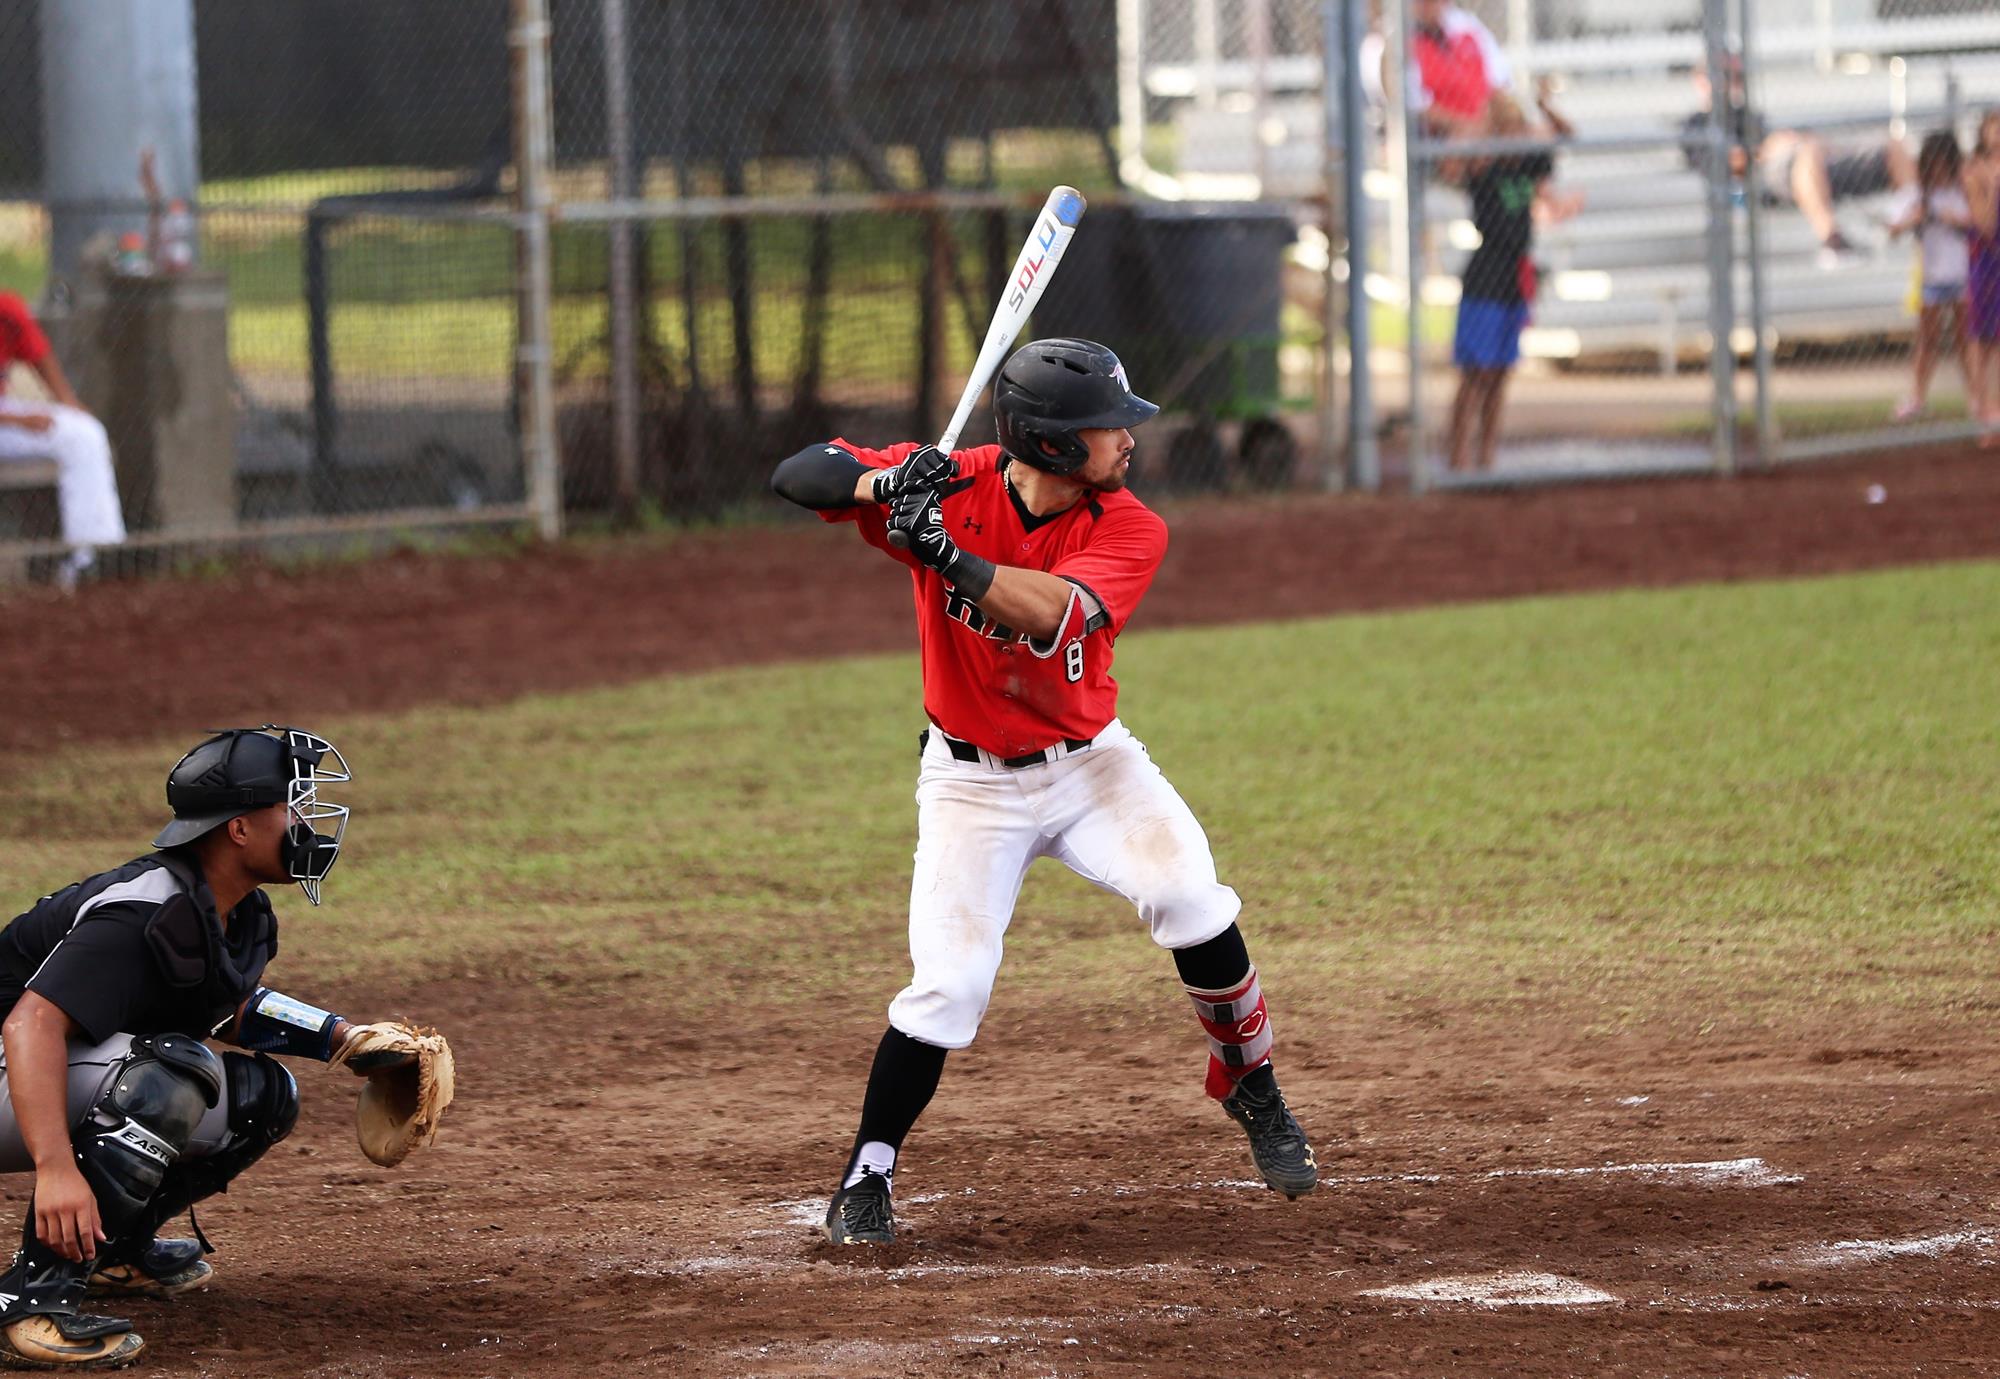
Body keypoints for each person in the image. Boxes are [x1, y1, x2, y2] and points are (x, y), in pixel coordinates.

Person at [770, 339, 1319, 1246]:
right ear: (1056, 445)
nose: (1130, 439)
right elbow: (801, 473)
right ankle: (867, 1173)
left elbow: (1055, 611)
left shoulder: (1132, 525)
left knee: (1191, 897)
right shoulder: (951, 480)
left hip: (1091, 767)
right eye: (1110, 427)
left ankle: (1250, 1087)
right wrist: (888, 490)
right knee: (949, 988)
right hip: (968, 783)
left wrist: (946, 555)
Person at [0, 725, 410, 1369]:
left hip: (20, 1077)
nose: (306, 820)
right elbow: (30, 1026)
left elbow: (216, 1004)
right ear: (239, 829)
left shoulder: (230, 911)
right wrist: (56, 1169)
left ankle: (111, 1252)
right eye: (289, 805)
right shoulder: (140, 911)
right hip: (14, 1065)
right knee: (165, 1079)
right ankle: (32, 1301)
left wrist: (344, 1039)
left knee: (260, 1096)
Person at [1445, 90, 1580, 474]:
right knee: (1476, 373)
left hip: (1514, 275)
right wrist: (1483, 124)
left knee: (1501, 372)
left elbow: (1565, 134)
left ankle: (1485, 455)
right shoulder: (1484, 166)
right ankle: (1458, 456)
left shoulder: (1527, 165)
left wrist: (1545, 105)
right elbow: (1456, 161)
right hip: (1485, 275)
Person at [1683, 61, 1915, 269]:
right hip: (1759, 181)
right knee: (1808, 151)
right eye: (1725, 75)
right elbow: (1730, 164)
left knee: (1892, 146)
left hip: (1794, 165)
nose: (1732, 83)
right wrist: (1767, 148)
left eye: (1735, 76)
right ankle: (1832, 240)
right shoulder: (1697, 124)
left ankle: (1908, 217)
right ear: (1701, 81)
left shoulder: (1746, 114)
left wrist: (1789, 142)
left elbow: (1772, 140)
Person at [0, 291, 125, 587]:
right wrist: (18, 420)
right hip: (7, 419)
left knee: (85, 432)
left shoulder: (6, 309)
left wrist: (68, 401)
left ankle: (90, 558)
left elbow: (38, 353)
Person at [1886, 130, 1975, 424]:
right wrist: (1915, 217)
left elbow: (1980, 222)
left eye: (1944, 163)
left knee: (1966, 341)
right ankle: (1918, 397)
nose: (1938, 169)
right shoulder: (1918, 195)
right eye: (1933, 163)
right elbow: (1893, 229)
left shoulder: (1963, 190)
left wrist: (1955, 219)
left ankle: (1976, 397)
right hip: (1932, 278)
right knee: (1928, 341)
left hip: (1963, 276)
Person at [1361, 0, 1511, 138]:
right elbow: (1412, 106)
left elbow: (1500, 82)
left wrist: (1487, 123)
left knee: (1525, 131)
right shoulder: (1388, 42)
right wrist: (1465, 125)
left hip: (1484, 126)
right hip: (1433, 137)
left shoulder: (1466, 27)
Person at [1963, 110, 2000, 443]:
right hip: (1985, 265)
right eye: (1994, 127)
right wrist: (1993, 186)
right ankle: (1982, 413)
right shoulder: (1975, 172)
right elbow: (1986, 224)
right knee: (1982, 340)